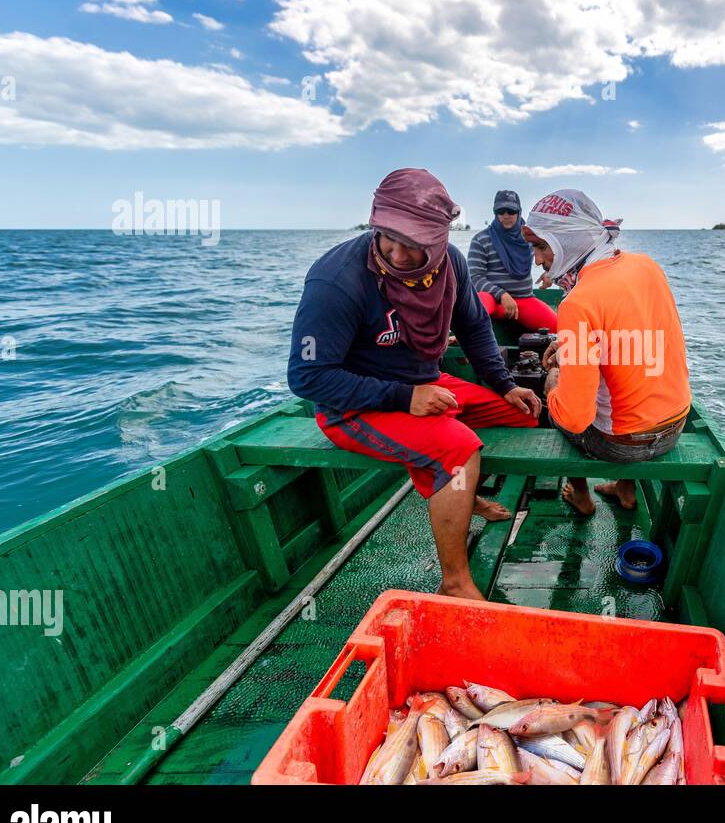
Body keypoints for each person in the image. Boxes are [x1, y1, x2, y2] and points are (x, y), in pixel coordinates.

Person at [287, 168, 542, 601]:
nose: (398, 253)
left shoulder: (452, 264)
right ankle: (456, 581)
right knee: (459, 452)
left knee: (525, 417)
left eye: (415, 244)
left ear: (440, 238)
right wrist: (403, 397)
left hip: (424, 382)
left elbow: (476, 326)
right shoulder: (336, 280)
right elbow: (308, 377)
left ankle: (461, 499)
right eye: (389, 237)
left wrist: (504, 385)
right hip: (356, 406)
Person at [522, 189, 691, 515]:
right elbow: (630, 338)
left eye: (542, 247)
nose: (538, 260)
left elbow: (575, 418)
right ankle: (625, 490)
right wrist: (573, 350)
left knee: (554, 398)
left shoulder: (577, 302)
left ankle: (580, 496)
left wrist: (556, 380)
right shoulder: (648, 266)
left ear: (568, 243)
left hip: (623, 446)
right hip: (675, 427)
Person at [467, 189, 559, 331]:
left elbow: (549, 256)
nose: (506, 216)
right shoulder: (480, 239)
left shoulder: (529, 237)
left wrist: (551, 273)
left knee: (560, 327)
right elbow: (475, 278)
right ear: (495, 213)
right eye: (501, 211)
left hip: (524, 300)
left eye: (511, 211)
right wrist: (502, 295)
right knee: (475, 306)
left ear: (519, 212)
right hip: (492, 300)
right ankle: (463, 338)